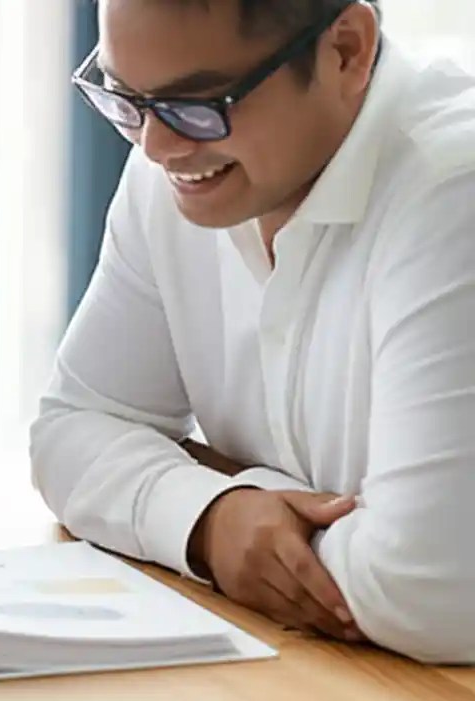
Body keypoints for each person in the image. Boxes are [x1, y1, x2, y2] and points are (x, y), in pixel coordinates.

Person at [32, 0, 475, 663]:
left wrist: (236, 497)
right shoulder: (179, 165)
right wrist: (214, 516)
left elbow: (433, 593)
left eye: (197, 103)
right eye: (126, 98)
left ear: (346, 51)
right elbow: (68, 433)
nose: (154, 146)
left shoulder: (452, 191)